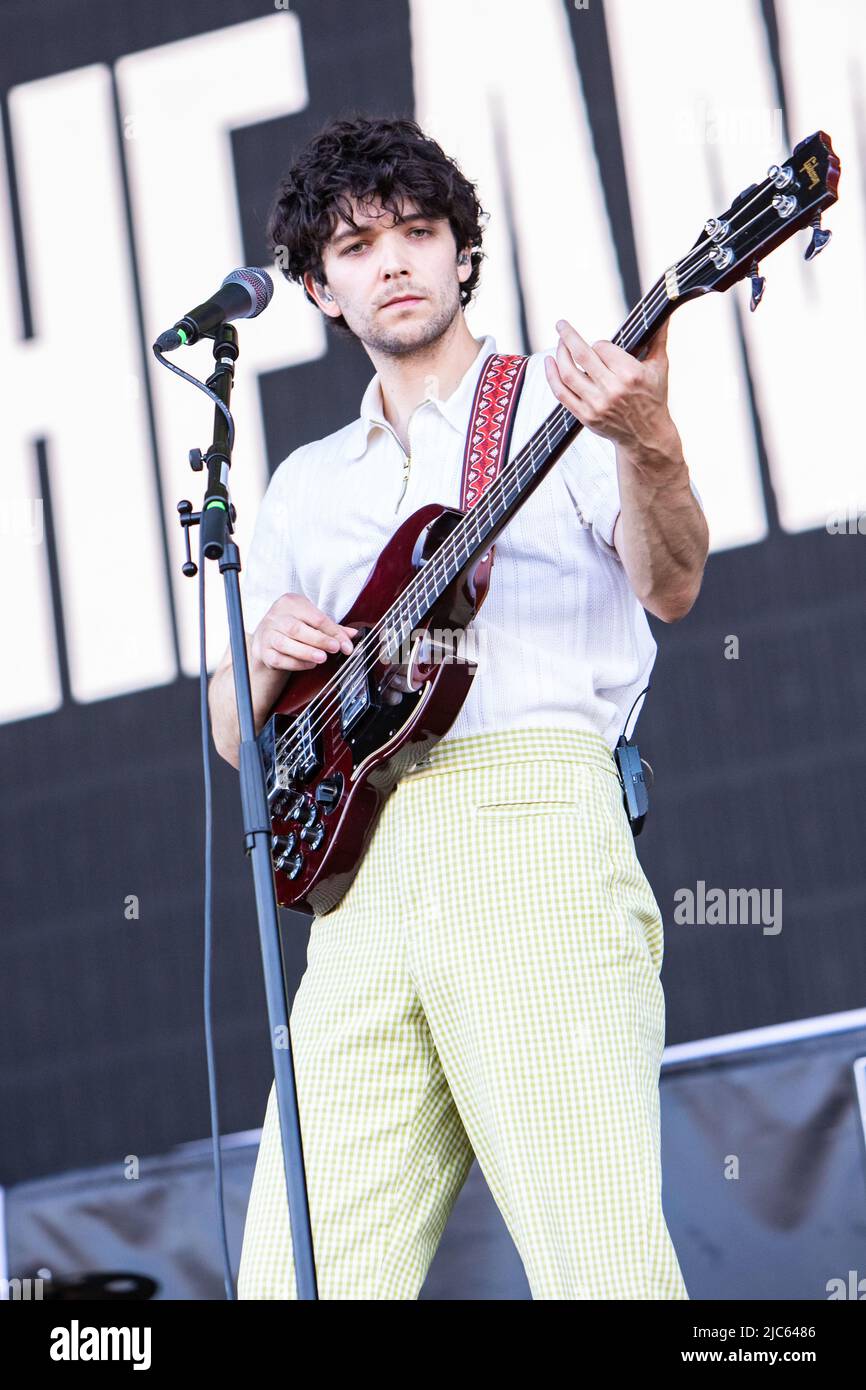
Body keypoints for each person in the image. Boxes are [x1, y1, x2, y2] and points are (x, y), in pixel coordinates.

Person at [208, 114, 709, 1300]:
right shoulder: (299, 485)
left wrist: (649, 444)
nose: (392, 261)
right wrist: (262, 664)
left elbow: (674, 584)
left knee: (603, 1269)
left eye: (418, 232)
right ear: (322, 291)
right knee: (295, 1282)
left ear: (461, 255)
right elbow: (239, 737)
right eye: (356, 246)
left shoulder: (559, 396)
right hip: (361, 887)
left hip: (529, 824)